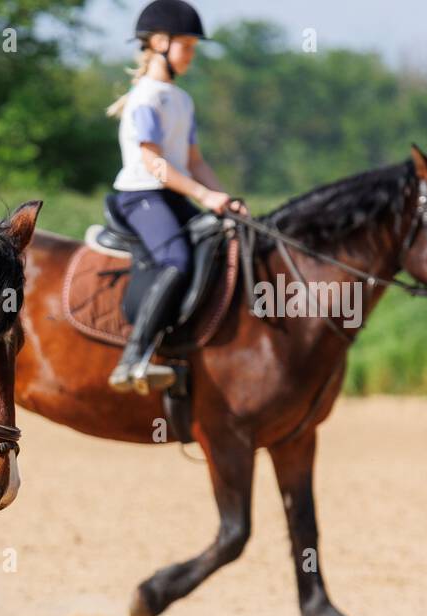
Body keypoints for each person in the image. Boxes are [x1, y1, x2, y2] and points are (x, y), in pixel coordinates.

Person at [105, 0, 246, 394]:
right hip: (141, 196)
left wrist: (222, 198)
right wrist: (203, 194)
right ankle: (133, 357)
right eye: (187, 46)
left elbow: (195, 161)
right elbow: (154, 163)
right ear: (161, 43)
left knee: (225, 240)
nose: (192, 55)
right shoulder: (145, 99)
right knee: (177, 259)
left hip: (174, 194)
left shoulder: (182, 100)